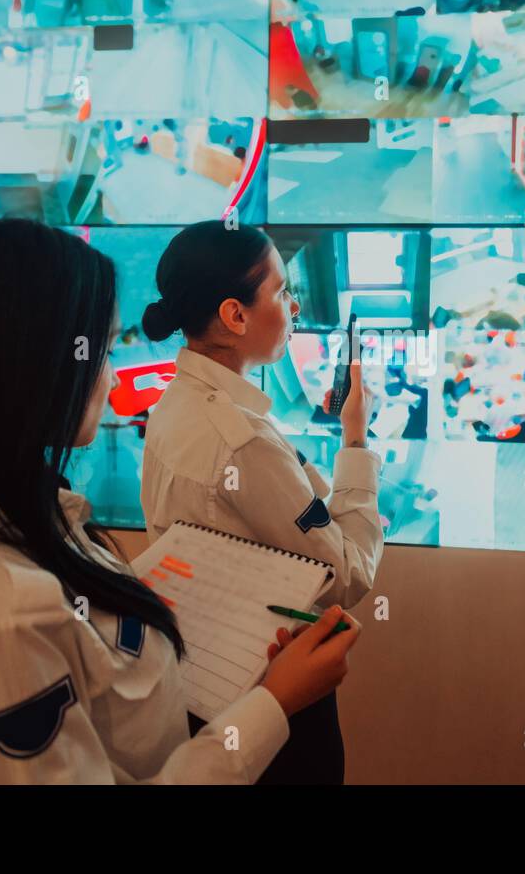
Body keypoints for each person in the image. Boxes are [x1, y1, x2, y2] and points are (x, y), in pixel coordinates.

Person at [0, 220, 361, 784]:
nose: (108, 375)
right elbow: (349, 570)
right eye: (100, 349)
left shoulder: (13, 519)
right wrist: (274, 702)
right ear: (28, 365)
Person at [139, 220, 384, 785]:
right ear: (235, 316)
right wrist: (355, 440)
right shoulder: (241, 440)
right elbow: (348, 575)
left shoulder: (177, 407)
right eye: (280, 290)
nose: (293, 305)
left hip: (203, 687)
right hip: (273, 703)